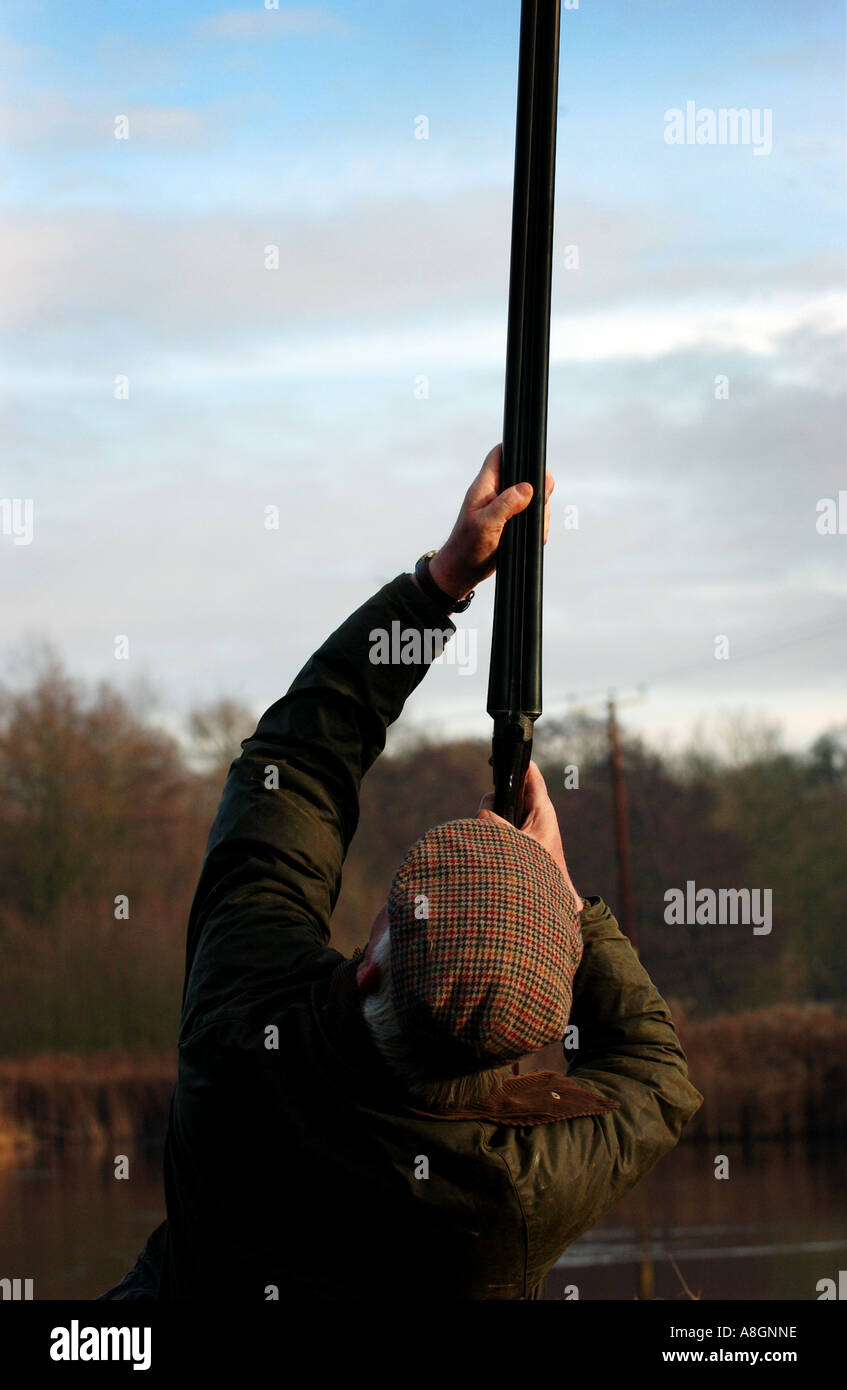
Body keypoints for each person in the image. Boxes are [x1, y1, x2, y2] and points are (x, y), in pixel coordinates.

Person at [100, 446, 702, 1302]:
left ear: (377, 957)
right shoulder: (517, 1193)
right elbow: (655, 1071)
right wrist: (568, 903)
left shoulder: (244, 1017)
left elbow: (296, 764)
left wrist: (441, 583)